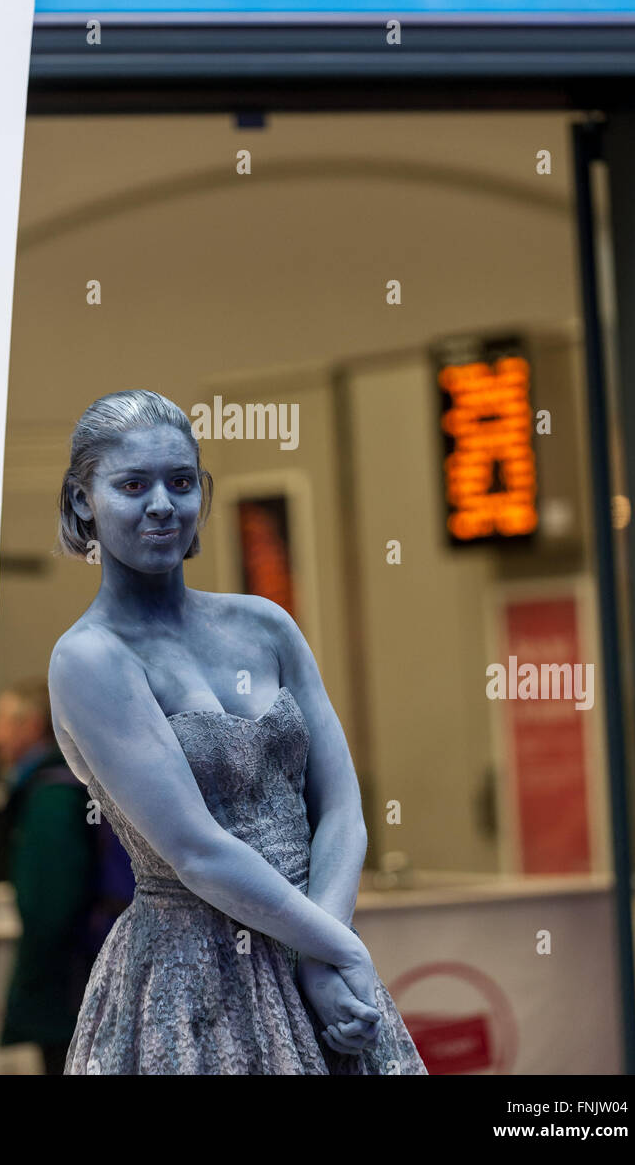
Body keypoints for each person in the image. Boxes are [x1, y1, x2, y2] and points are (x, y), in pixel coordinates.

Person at [49, 390, 428, 1075]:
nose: (162, 503)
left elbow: (340, 806)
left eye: (181, 481)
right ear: (84, 503)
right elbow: (197, 852)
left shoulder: (264, 623)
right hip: (193, 979)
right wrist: (336, 953)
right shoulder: (89, 658)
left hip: (317, 943)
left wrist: (321, 951)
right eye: (132, 484)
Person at [0, 677, 133, 1074]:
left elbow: (46, 905)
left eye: (2, 721)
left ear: (31, 725)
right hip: (97, 973)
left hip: (68, 987)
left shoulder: (51, 796)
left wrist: (30, 987)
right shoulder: (82, 780)